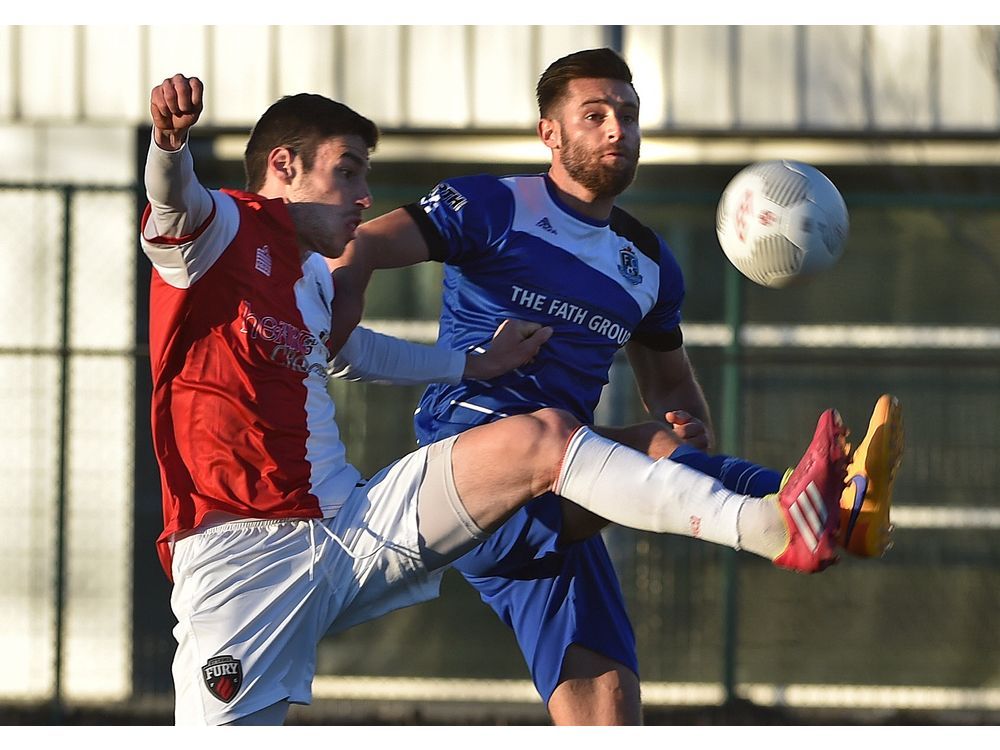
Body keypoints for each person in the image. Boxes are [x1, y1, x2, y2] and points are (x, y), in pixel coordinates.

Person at [327, 48, 905, 724]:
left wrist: (691, 429)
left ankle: (835, 512)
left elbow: (672, 386)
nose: (615, 130)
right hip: (472, 463)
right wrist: (331, 331)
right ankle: (822, 507)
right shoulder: (490, 206)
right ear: (550, 132)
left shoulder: (648, 264)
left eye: (627, 116)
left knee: (609, 711)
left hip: (568, 483)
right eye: (594, 114)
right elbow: (361, 245)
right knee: (636, 443)